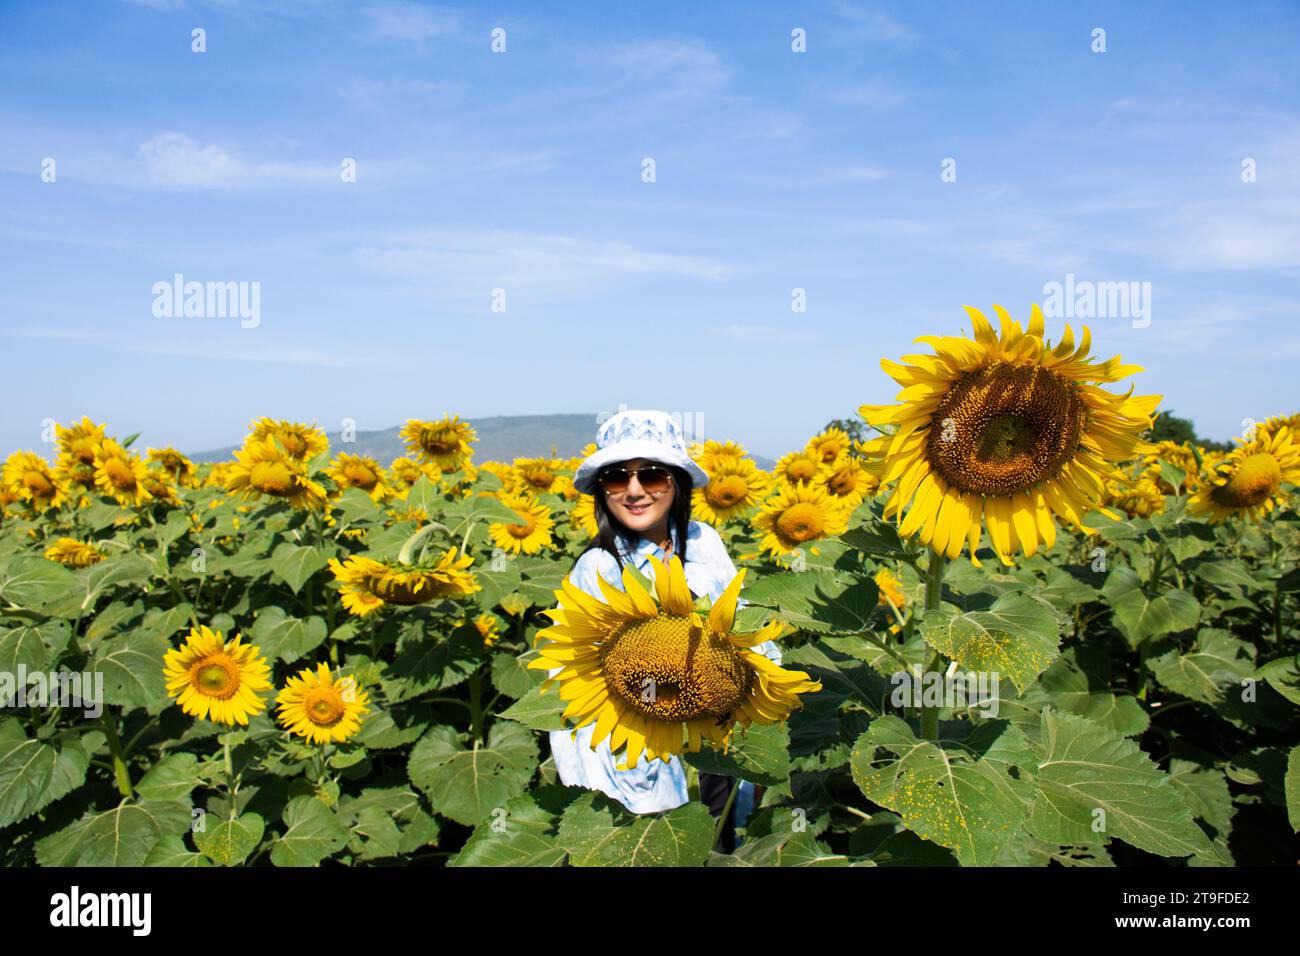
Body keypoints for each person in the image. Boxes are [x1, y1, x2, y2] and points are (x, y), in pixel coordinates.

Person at [546, 409, 782, 852]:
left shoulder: (704, 544)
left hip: (720, 741)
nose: (635, 490)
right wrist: (584, 787)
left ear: (677, 484)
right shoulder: (595, 569)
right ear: (602, 491)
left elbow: (745, 623)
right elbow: (567, 686)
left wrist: (763, 685)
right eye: (617, 478)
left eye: (652, 475)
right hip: (638, 763)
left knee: (723, 846)